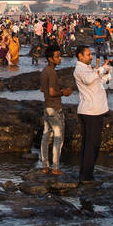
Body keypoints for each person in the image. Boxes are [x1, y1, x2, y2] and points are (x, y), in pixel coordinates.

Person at [73, 45, 111, 183]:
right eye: (88, 54)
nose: (91, 57)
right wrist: (99, 70)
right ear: (80, 56)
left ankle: (86, 173)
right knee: (91, 145)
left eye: (91, 54)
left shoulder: (89, 69)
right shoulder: (79, 70)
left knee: (90, 144)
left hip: (97, 110)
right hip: (90, 112)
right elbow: (88, 79)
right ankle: (86, 175)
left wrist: (106, 70)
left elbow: (106, 84)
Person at [39, 47, 74, 175]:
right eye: (57, 56)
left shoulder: (44, 71)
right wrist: (64, 93)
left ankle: (45, 166)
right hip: (54, 108)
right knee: (58, 138)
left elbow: (42, 89)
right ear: (50, 59)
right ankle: (55, 167)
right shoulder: (52, 72)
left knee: (46, 135)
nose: (60, 58)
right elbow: (52, 92)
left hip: (46, 107)